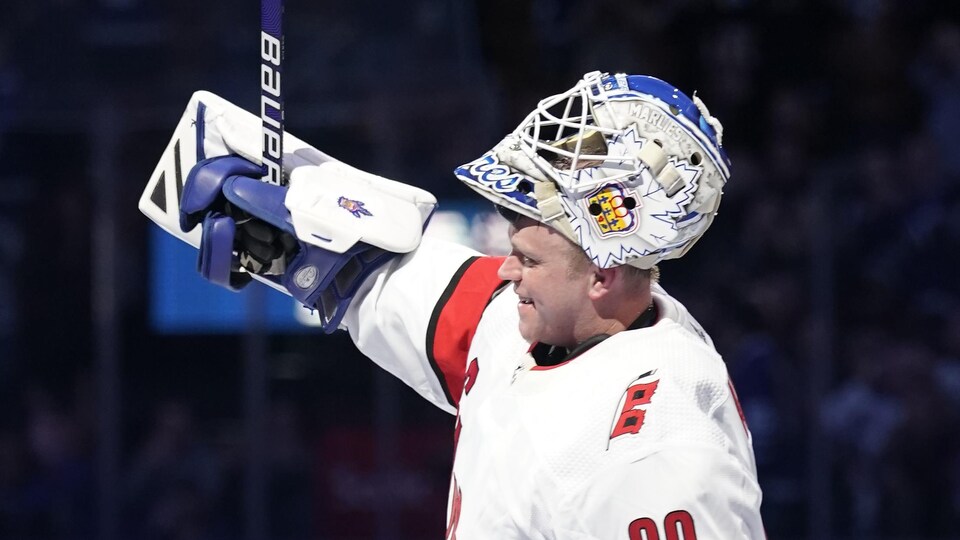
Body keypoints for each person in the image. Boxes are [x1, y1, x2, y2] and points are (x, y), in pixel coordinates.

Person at [160, 70, 764, 538]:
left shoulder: (654, 458)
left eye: (526, 258)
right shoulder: (532, 319)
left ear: (602, 276)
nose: (505, 271)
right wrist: (298, 236)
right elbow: (373, 277)